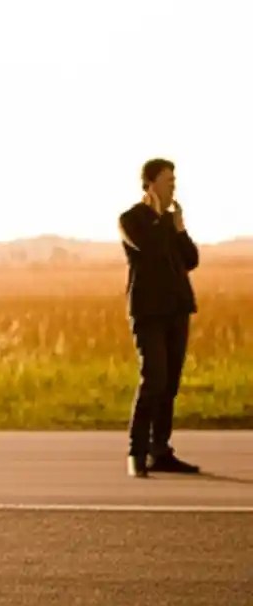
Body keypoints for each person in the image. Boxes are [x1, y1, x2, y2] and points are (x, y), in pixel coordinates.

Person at [117, 158, 201, 478]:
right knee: (154, 379)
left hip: (177, 309)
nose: (173, 187)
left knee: (170, 385)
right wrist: (158, 217)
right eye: (168, 181)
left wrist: (179, 228)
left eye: (174, 182)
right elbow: (149, 250)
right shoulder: (131, 219)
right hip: (148, 311)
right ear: (150, 185)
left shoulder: (170, 222)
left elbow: (190, 260)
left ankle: (160, 451)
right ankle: (136, 452)